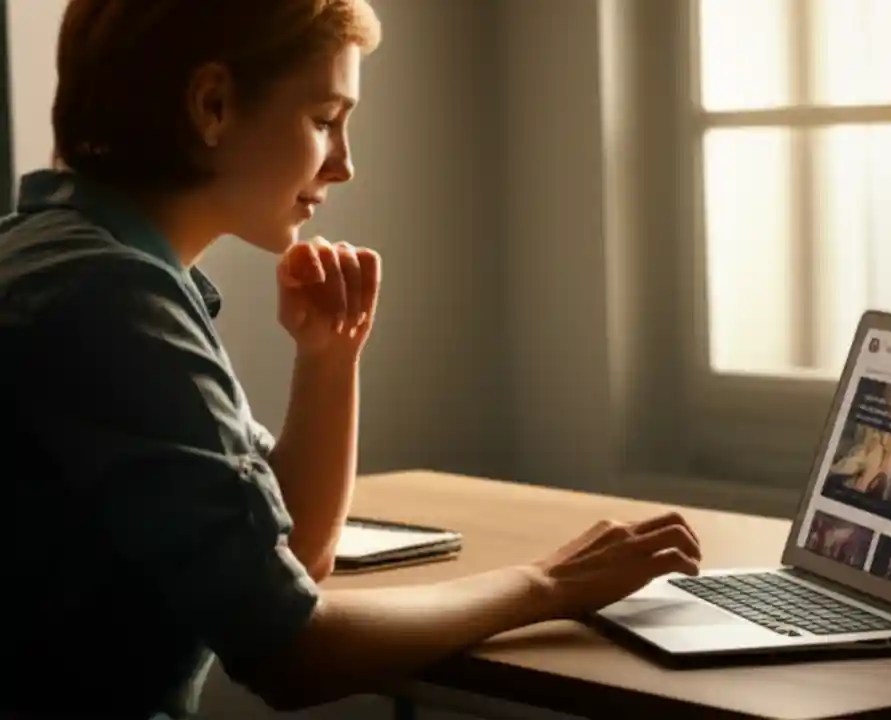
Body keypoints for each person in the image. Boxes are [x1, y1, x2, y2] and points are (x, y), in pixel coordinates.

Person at [0, 2, 700, 718]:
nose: (345, 164)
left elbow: (295, 558)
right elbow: (293, 655)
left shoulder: (72, 265)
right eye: (325, 119)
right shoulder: (106, 299)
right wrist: (549, 584)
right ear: (211, 106)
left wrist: (329, 359)